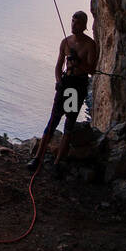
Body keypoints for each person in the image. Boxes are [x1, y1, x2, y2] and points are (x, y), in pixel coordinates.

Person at [28, 10, 99, 176]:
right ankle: (38, 158)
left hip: (76, 87)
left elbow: (92, 70)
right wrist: (59, 81)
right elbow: (59, 66)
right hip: (66, 84)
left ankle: (58, 162)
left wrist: (77, 63)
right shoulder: (65, 42)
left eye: (77, 23)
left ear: (84, 25)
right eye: (73, 21)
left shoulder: (89, 45)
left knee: (69, 123)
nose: (74, 25)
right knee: (53, 121)